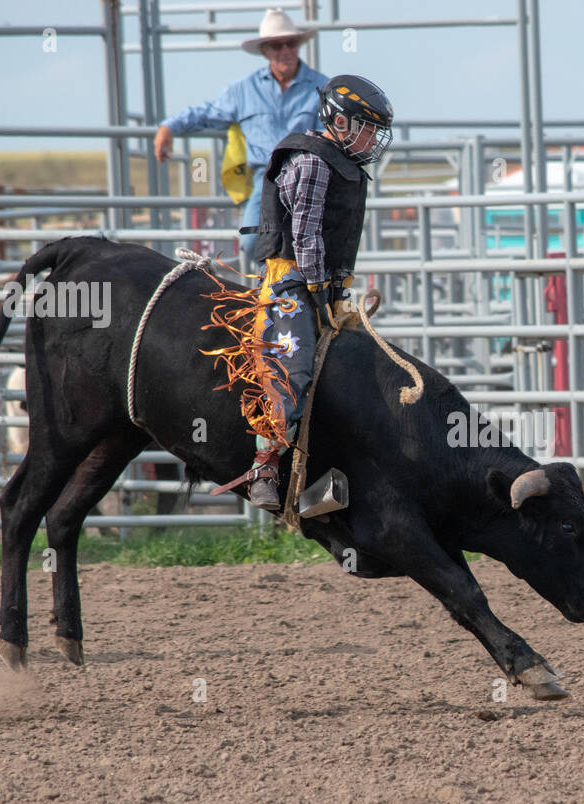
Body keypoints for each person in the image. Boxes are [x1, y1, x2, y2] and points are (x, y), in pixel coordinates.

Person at [242, 74, 393, 511]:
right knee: (293, 366)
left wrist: (336, 294)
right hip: (290, 283)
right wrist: (323, 295)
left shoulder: (341, 165)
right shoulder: (310, 162)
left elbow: (338, 243)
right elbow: (306, 236)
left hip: (321, 286)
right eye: (367, 127)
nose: (373, 138)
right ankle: (265, 465)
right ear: (340, 123)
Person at [152, 9, 327, 261]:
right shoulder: (245, 90)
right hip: (267, 178)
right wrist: (169, 127)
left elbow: (335, 131)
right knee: (252, 241)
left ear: (298, 45)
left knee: (312, 240)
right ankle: (276, 290)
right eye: (277, 45)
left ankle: (297, 290)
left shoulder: (321, 86)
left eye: (291, 43)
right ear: (265, 51)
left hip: (309, 177)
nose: (285, 50)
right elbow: (207, 112)